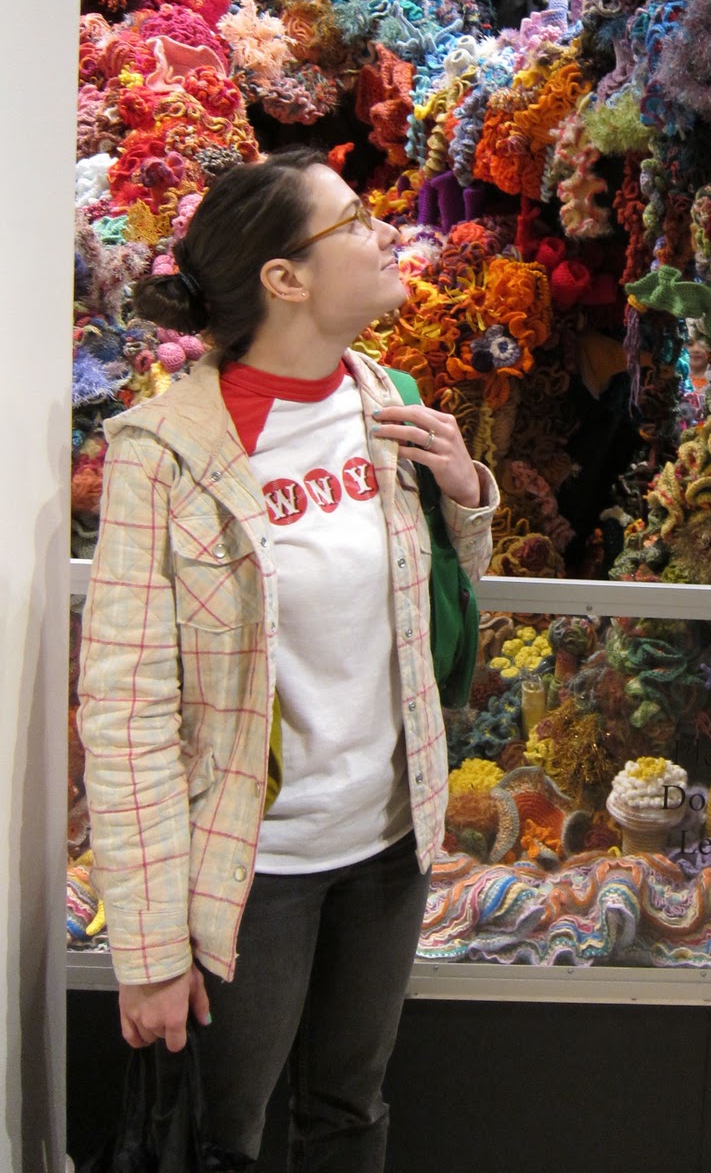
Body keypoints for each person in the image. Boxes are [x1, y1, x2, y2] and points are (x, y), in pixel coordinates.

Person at [78, 146, 498, 1171]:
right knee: (224, 1135)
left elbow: (428, 606)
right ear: (285, 277)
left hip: (389, 843)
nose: (384, 230)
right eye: (354, 219)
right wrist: (147, 951)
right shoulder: (164, 451)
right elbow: (125, 712)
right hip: (251, 867)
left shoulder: (389, 399)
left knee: (351, 1109)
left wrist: (467, 492)